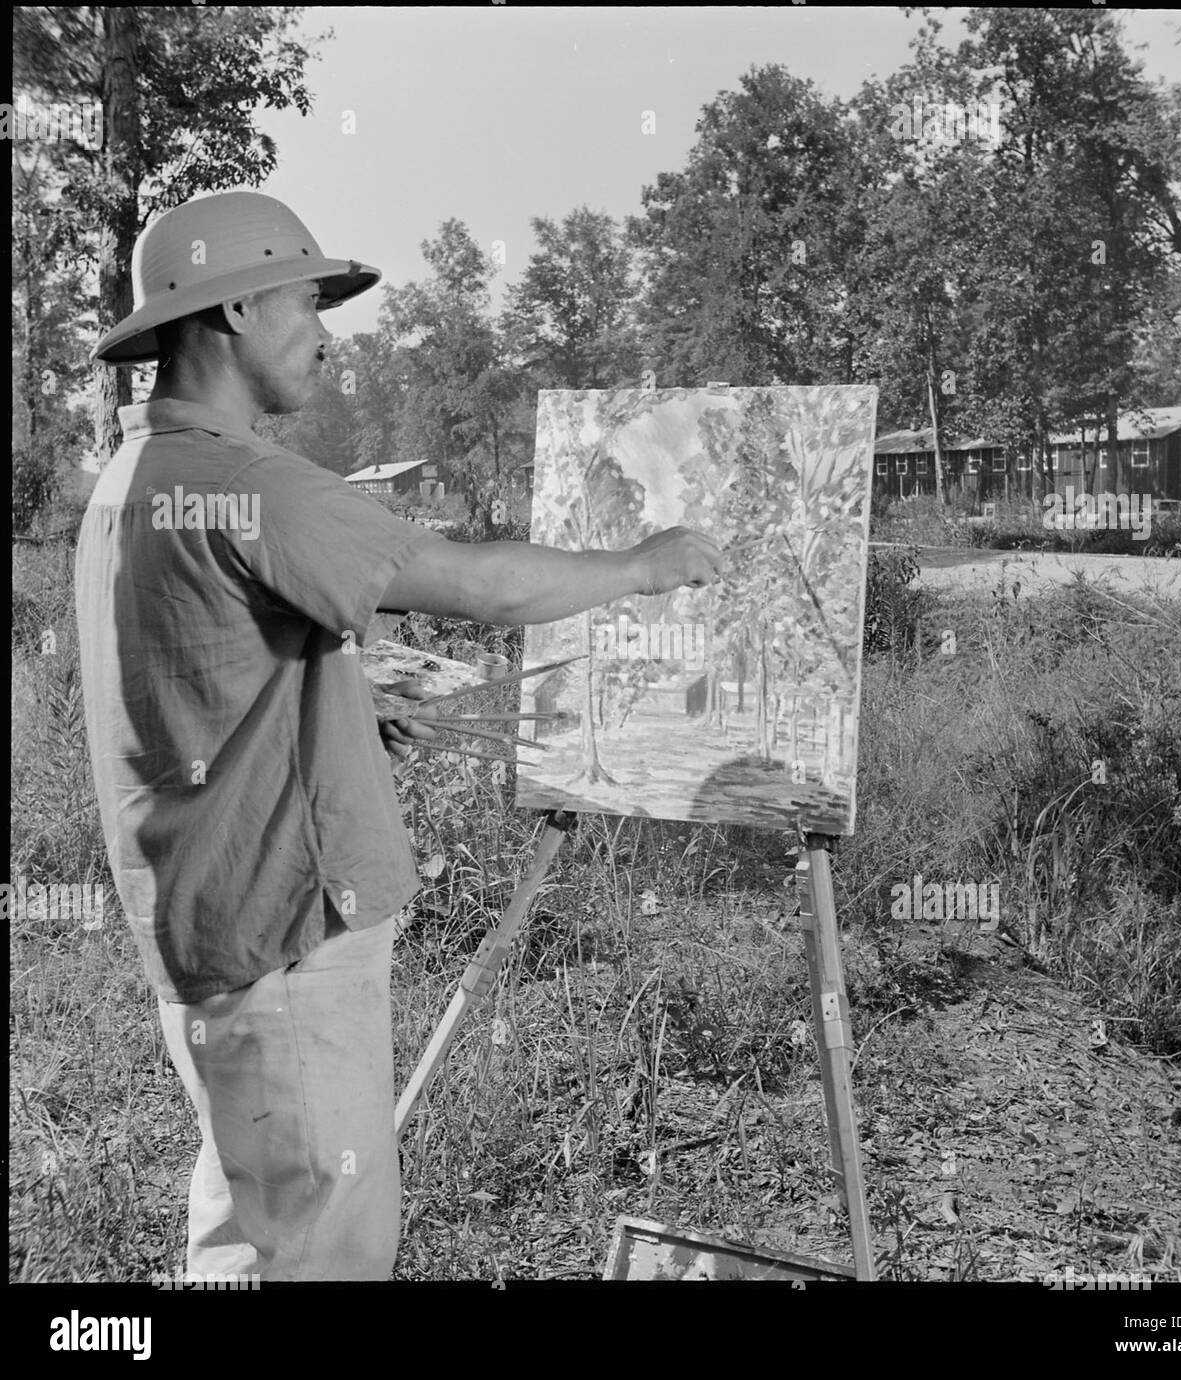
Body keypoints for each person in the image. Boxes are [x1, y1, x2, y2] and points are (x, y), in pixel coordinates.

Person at [77, 190, 722, 1282]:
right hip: (283, 939)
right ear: (232, 314)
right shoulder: (244, 482)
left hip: (207, 937)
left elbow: (188, 677)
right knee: (325, 1250)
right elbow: (477, 584)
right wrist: (642, 565)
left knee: (249, 1228)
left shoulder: (133, 480)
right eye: (306, 302)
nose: (326, 335)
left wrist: (329, 708)